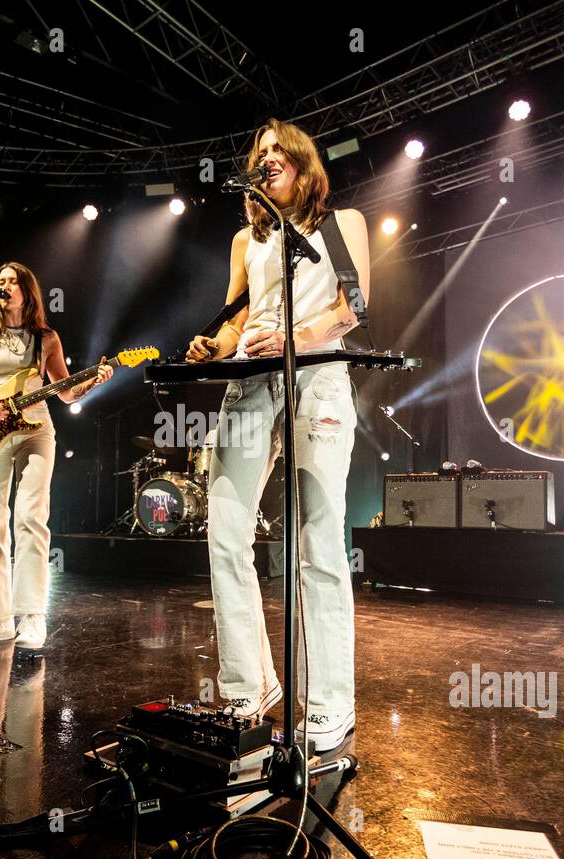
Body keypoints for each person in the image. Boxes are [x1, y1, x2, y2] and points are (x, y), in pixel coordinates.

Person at [185, 118, 369, 752]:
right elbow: (239, 319)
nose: (263, 161)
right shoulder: (245, 240)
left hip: (316, 380)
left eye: (274, 152)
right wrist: (218, 344)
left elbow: (354, 308)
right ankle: (248, 686)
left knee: (318, 539)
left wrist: (296, 338)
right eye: (256, 153)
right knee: (225, 531)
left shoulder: (342, 224)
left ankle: (330, 702)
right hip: (248, 384)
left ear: (300, 163)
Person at [0, 262, 112, 647]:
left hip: (37, 429)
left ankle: (32, 616)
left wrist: (90, 383)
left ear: (29, 291)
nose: (6, 286)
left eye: (14, 281)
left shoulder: (46, 338)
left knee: (32, 517)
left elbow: (64, 392)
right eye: (0, 282)